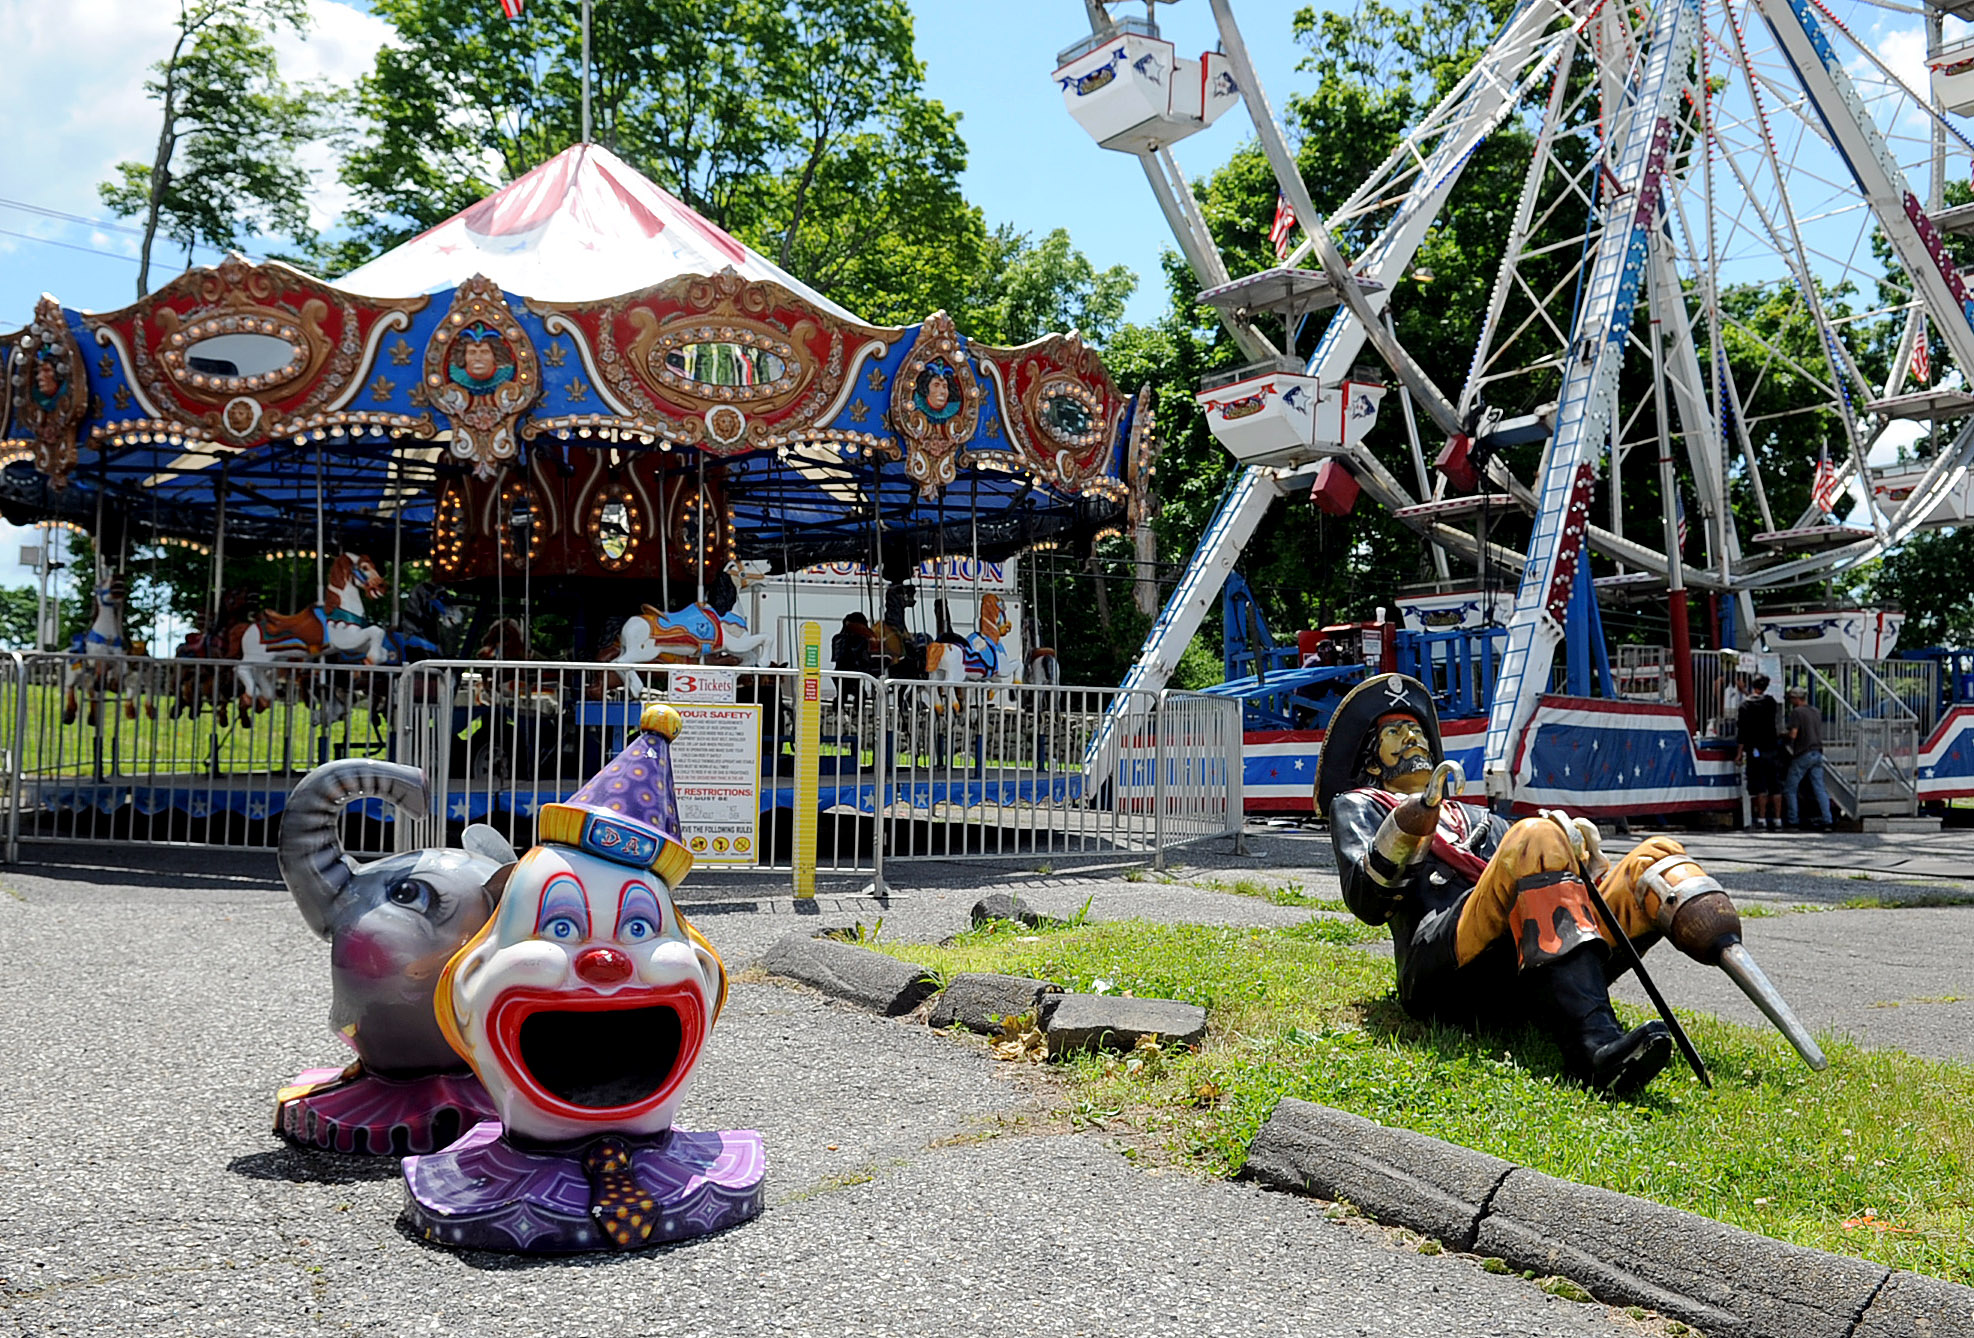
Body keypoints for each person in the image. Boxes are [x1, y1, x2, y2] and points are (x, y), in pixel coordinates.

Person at [1322, 674, 1752, 1096]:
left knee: (1654, 858)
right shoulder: (1360, 805)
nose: (1411, 738)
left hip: (1515, 963)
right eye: (1395, 732)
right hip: (1441, 969)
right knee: (1534, 835)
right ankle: (1593, 1046)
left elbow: (1539, 881)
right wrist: (1409, 824)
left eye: (1415, 730)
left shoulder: (1481, 819)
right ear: (1374, 762)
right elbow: (1368, 903)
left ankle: (1741, 969)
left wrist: (1583, 856)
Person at [1735, 674, 1784, 832]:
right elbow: (1759, 700)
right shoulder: (1771, 703)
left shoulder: (1745, 706)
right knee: (1775, 786)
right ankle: (1777, 820)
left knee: (1761, 786)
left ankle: (1761, 819)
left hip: (1755, 750)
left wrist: (1739, 753)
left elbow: (1742, 733)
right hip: (1772, 748)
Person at [1780, 685, 1833, 831]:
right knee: (1819, 788)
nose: (1791, 701)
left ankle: (1793, 821)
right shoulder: (1816, 711)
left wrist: (1782, 735)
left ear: (1796, 699)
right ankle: (1827, 820)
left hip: (1803, 753)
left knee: (1790, 788)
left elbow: (1793, 734)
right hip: (1818, 752)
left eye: (1791, 698)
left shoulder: (1797, 712)